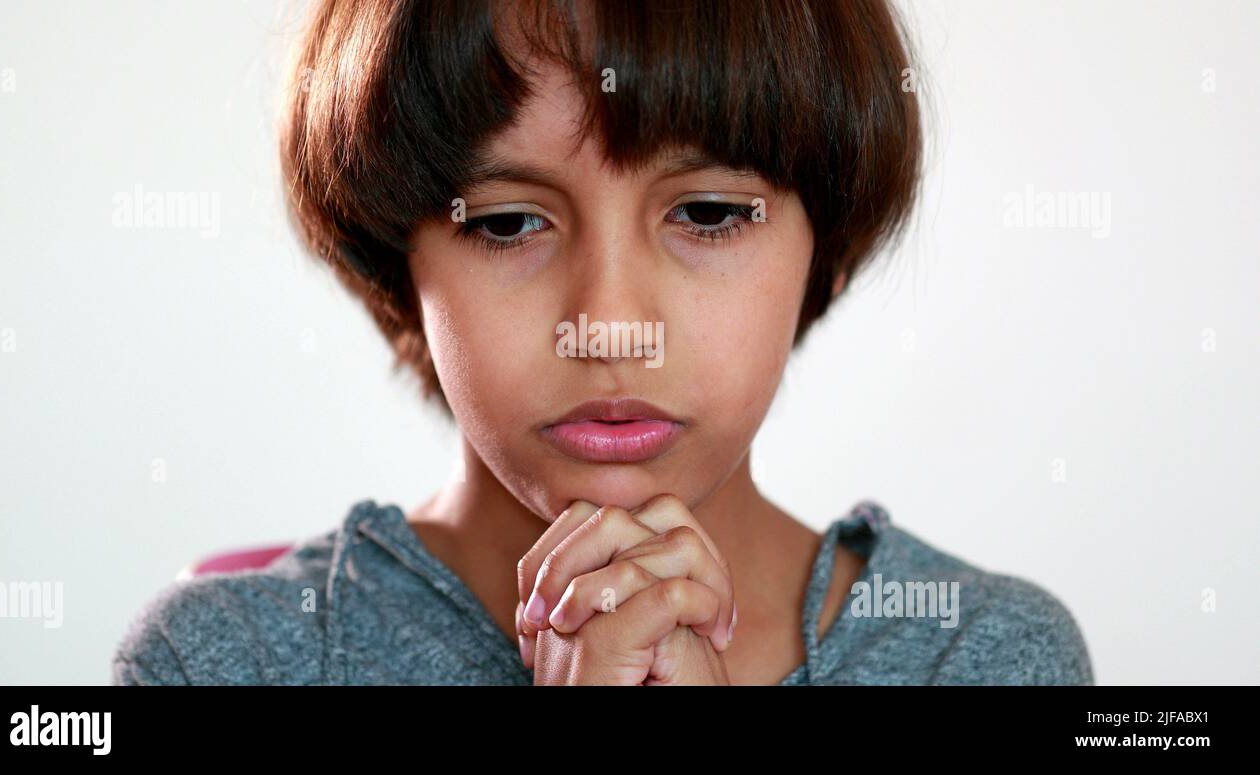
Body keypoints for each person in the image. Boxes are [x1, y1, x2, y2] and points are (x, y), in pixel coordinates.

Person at [112, 0, 1093, 685]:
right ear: (397, 268)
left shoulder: (978, 656)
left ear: (821, 252)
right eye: (506, 225)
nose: (609, 323)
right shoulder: (223, 660)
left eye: (708, 213)